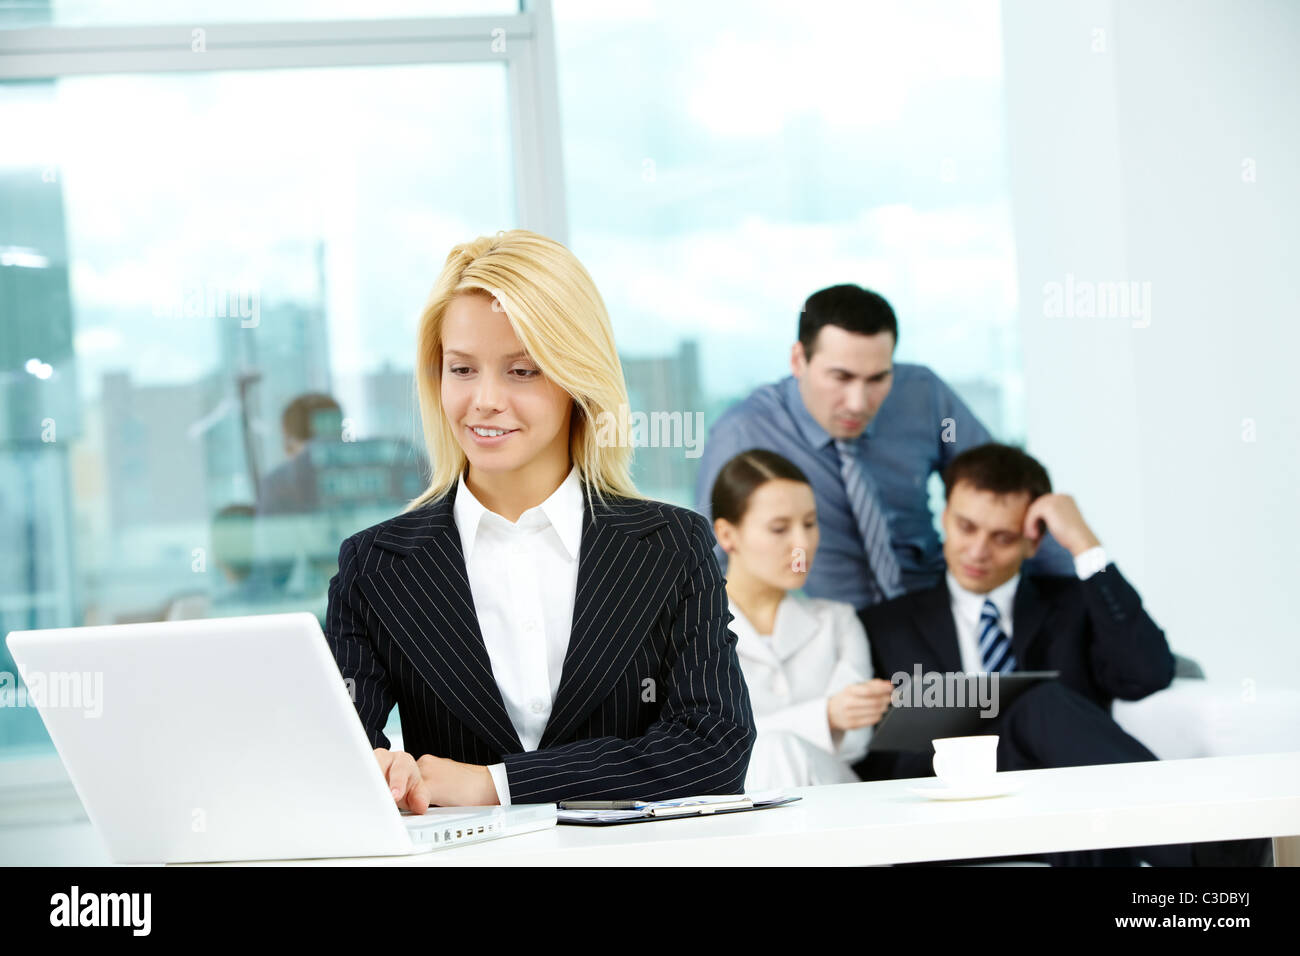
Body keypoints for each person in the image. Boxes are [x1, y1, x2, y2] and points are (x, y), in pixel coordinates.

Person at [325, 229, 756, 811]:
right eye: (462, 369)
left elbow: (713, 749)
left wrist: (494, 785)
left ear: (577, 378)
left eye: (521, 371)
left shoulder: (670, 546)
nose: (484, 400)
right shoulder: (376, 566)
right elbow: (333, 759)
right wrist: (380, 770)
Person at [859, 442, 1270, 866]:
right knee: (1040, 706)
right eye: (966, 527)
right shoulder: (885, 623)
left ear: (1032, 543)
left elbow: (1148, 672)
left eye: (1002, 537)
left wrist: (1086, 547)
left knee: (1081, 813)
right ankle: (1226, 851)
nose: (979, 551)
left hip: (1060, 800)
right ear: (944, 518)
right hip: (940, 798)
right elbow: (874, 756)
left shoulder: (1072, 607)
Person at [694, 284, 1073, 612]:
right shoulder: (743, 432)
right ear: (799, 360)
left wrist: (1070, 599)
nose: (859, 402)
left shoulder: (923, 396)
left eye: (877, 378)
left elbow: (1010, 491)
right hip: (823, 628)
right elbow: (710, 559)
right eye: (840, 377)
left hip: (933, 613)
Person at [710, 449, 892, 790]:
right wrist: (824, 716)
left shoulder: (838, 622)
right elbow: (707, 745)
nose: (801, 545)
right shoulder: (689, 627)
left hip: (832, 799)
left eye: (809, 524)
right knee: (776, 749)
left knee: (780, 748)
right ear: (727, 535)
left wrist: (835, 718)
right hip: (731, 805)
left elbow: (854, 743)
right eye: (780, 529)